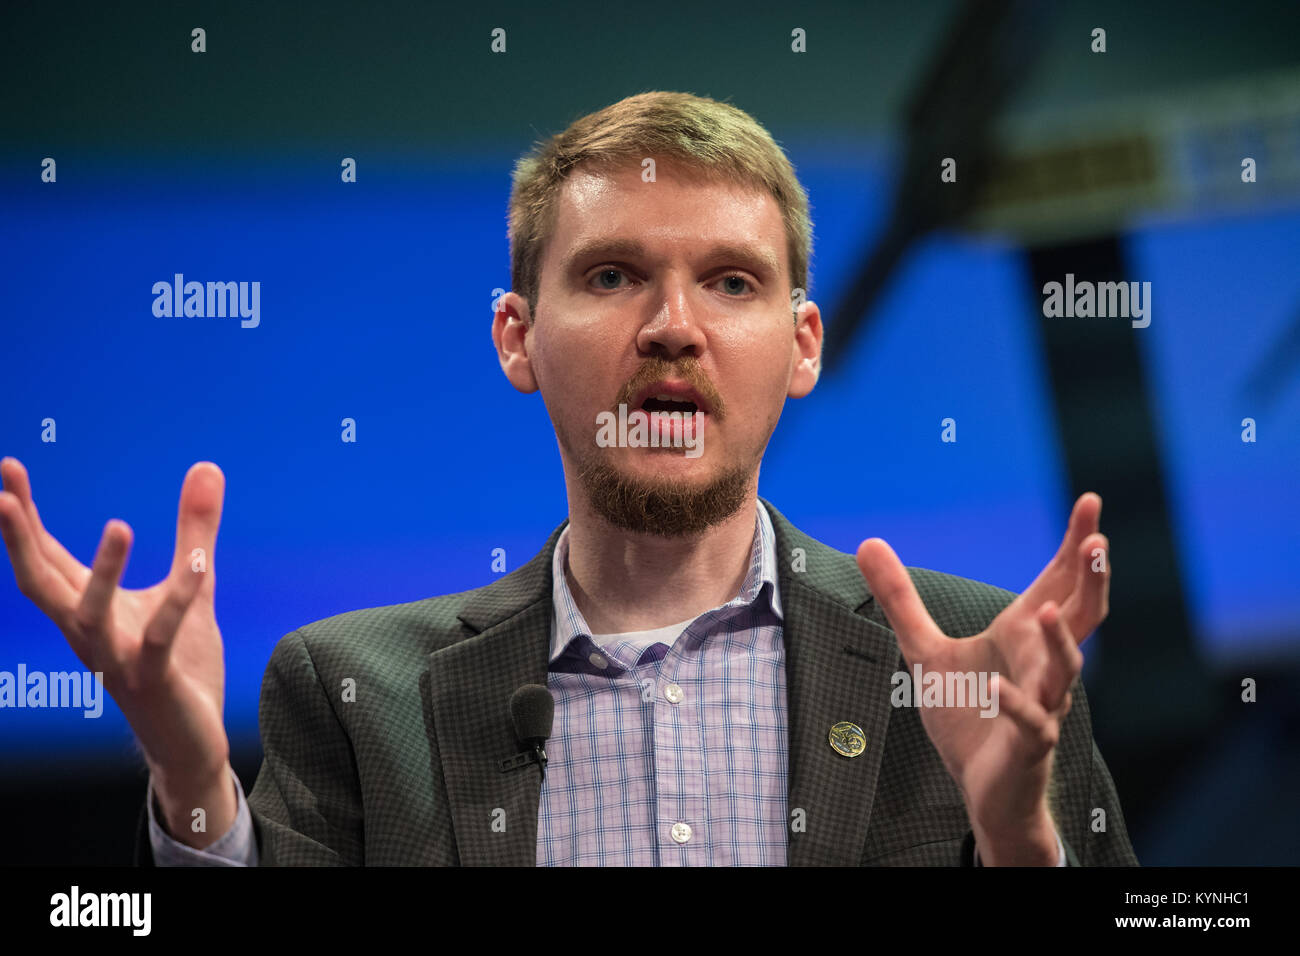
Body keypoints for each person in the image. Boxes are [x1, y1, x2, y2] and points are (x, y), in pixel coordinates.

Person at [0, 91, 1137, 866]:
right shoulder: (350, 690)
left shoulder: (977, 659)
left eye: (732, 283)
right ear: (516, 336)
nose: (672, 327)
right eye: (610, 273)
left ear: (802, 346)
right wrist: (193, 777)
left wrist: (1022, 844)